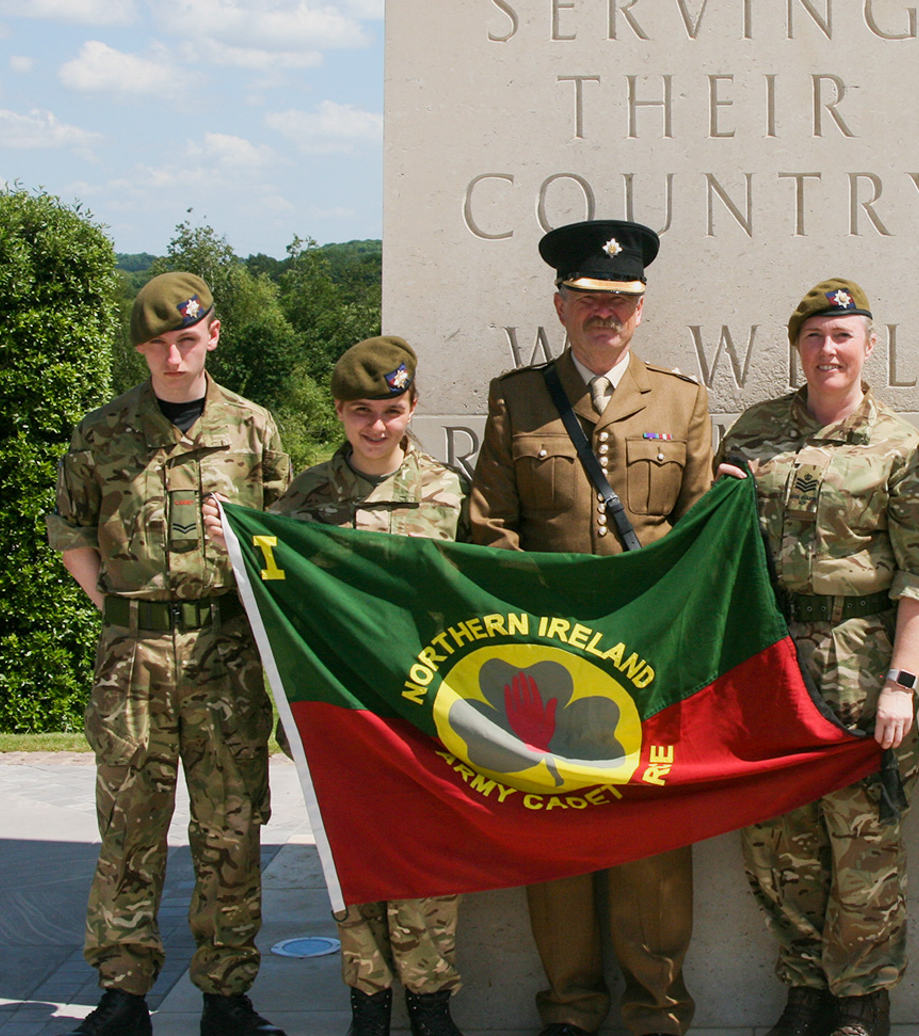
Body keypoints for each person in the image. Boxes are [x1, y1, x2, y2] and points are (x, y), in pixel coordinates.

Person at [466, 219, 714, 1036]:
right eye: (588, 300)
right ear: (561, 305)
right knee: (559, 844)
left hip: (648, 665)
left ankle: (654, 1013)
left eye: (620, 302)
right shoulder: (518, 398)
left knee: (651, 840)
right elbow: (490, 528)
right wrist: (541, 621)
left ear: (640, 311)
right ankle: (569, 1010)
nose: (604, 314)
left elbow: (699, 530)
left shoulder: (683, 402)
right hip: (550, 666)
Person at [46, 272, 292, 1036]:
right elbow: (69, 531)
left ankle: (227, 994)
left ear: (212, 335)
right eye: (158, 346)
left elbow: (286, 537)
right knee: (129, 825)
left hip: (227, 654)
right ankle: (122, 993)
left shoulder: (253, 429)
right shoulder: (102, 431)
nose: (174, 358)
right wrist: (118, 611)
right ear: (142, 351)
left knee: (230, 828)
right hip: (134, 656)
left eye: (187, 340)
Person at [202, 337, 468, 1036]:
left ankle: (433, 1004)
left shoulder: (445, 493)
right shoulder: (306, 499)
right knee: (351, 857)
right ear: (340, 413)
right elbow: (267, 584)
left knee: (426, 858)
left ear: (412, 407)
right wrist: (228, 533)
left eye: (390, 410)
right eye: (360, 412)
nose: (376, 426)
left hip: (420, 709)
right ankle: (369, 1004)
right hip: (337, 711)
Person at [718, 279, 919, 1036]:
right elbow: (719, 550)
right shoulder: (752, 435)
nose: (829, 350)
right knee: (779, 844)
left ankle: (860, 999)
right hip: (769, 665)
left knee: (863, 848)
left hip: (860, 663)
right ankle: (804, 988)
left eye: (844, 336)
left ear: (869, 345)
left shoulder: (902, 448)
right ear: (798, 345)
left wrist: (902, 685)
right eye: (815, 336)